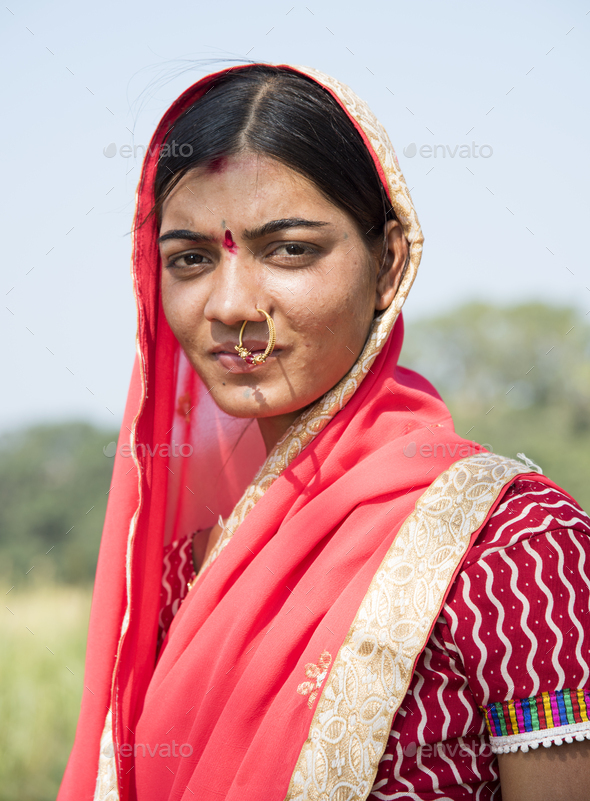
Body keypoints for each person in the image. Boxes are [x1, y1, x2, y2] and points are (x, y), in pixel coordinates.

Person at [57, 63, 590, 801]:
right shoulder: (187, 569)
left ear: (389, 262)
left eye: (290, 249)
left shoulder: (518, 549)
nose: (232, 304)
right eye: (191, 259)